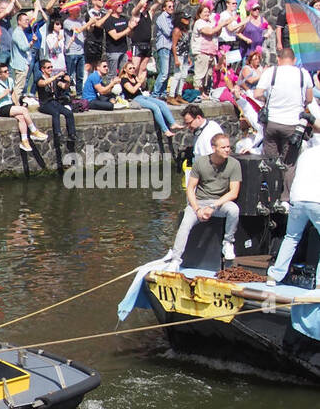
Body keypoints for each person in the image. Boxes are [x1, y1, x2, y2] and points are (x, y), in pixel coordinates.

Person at [166, 133, 241, 270]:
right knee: (185, 223)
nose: (227, 150)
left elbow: (233, 193)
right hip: (199, 202)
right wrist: (197, 209)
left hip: (219, 203)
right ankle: (176, 260)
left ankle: (228, 242)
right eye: (223, 147)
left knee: (234, 210)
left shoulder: (234, 164)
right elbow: (190, 188)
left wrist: (213, 206)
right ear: (214, 148)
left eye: (228, 147)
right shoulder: (200, 162)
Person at [254, 48, 315, 204]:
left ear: (279, 59)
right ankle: (285, 199)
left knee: (270, 160)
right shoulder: (304, 74)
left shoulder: (270, 72)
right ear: (294, 60)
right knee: (289, 163)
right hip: (293, 125)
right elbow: (309, 98)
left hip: (272, 123)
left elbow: (257, 94)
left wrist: (268, 100)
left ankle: (270, 196)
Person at [266, 143, 320, 285]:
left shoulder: (306, 153)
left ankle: (274, 275)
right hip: (316, 200)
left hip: (297, 198)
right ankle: (319, 282)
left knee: (291, 237)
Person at [0, 62, 44, 151]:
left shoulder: (10, 80)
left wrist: (16, 104)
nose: (8, 72)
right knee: (24, 110)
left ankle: (24, 140)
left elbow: (13, 92)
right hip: (1, 108)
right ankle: (34, 131)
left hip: (10, 105)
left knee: (21, 117)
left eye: (8, 70)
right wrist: (3, 95)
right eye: (5, 71)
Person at [120, 60, 176, 137]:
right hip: (134, 99)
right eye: (130, 68)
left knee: (162, 103)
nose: (132, 69)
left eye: (133, 68)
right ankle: (165, 130)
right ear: (125, 69)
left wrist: (142, 80)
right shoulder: (124, 80)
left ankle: (173, 123)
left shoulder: (134, 77)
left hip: (141, 96)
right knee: (155, 107)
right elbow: (132, 91)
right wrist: (139, 83)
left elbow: (142, 87)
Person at [34, 60, 77, 150]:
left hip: (54, 102)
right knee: (55, 113)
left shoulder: (54, 79)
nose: (51, 69)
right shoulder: (40, 79)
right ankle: (58, 133)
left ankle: (72, 134)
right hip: (44, 103)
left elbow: (63, 86)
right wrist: (57, 75)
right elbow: (43, 83)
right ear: (43, 69)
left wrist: (68, 82)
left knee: (68, 112)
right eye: (48, 67)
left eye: (51, 67)